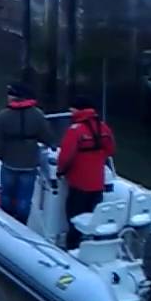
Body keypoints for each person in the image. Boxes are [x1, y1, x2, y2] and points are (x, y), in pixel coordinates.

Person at [57, 96, 116, 250]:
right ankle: (91, 244)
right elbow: (110, 150)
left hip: (78, 182)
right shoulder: (103, 127)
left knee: (74, 217)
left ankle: (72, 247)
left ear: (78, 110)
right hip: (97, 182)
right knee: (92, 216)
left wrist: (60, 171)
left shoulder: (75, 130)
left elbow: (65, 156)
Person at [0, 83, 51, 224]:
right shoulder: (38, 115)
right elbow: (47, 138)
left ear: (14, 97)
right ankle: (21, 224)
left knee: (6, 196)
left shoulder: (3, 116)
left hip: (9, 164)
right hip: (29, 165)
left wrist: (3, 157)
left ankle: (6, 223)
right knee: (24, 200)